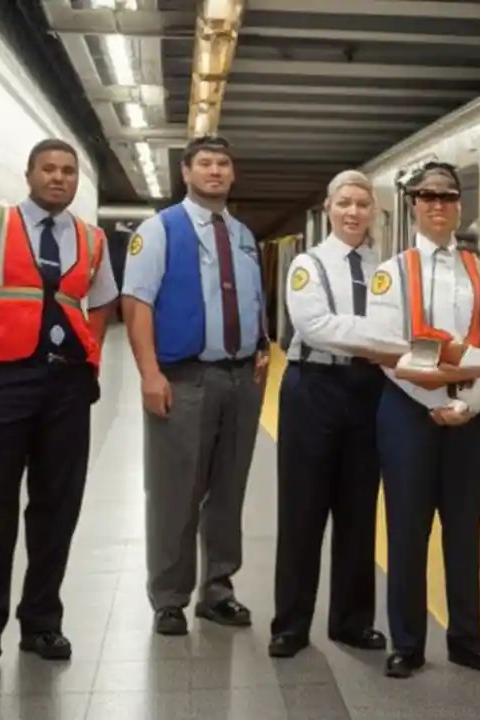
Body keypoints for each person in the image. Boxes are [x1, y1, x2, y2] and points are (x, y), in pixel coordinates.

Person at [0, 138, 118, 673]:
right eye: (49, 169)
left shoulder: (92, 238)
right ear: (29, 174)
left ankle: (42, 622)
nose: (59, 178)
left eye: (68, 171)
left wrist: (92, 350)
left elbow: (103, 300)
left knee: (57, 506)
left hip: (66, 386)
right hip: (1, 379)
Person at [121, 134, 270, 636]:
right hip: (183, 378)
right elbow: (137, 303)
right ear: (185, 173)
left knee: (228, 489)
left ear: (232, 173)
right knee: (175, 490)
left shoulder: (244, 234)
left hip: (239, 379)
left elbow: (249, 298)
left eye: (223, 163)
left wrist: (264, 343)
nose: (215, 171)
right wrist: (149, 374)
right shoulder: (159, 230)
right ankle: (169, 597)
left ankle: (219, 590)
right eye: (204, 163)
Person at [365, 161, 480, 678]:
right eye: (428, 197)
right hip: (408, 414)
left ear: (459, 205)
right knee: (407, 532)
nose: (438, 204)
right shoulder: (393, 271)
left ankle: (466, 639)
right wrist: (435, 401)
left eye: (447, 196)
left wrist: (469, 403)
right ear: (414, 206)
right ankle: (407, 642)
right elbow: (388, 346)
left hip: (470, 414)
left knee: (465, 532)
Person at [269, 170, 389, 658]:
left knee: (359, 511)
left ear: (373, 211)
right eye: (345, 203)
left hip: (368, 390)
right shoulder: (308, 264)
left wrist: (376, 340)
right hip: (313, 387)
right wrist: (384, 340)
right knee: (302, 510)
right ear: (329, 208)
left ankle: (352, 622)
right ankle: (291, 625)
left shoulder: (385, 268)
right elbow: (315, 327)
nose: (354, 212)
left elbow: (388, 322)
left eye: (362, 204)